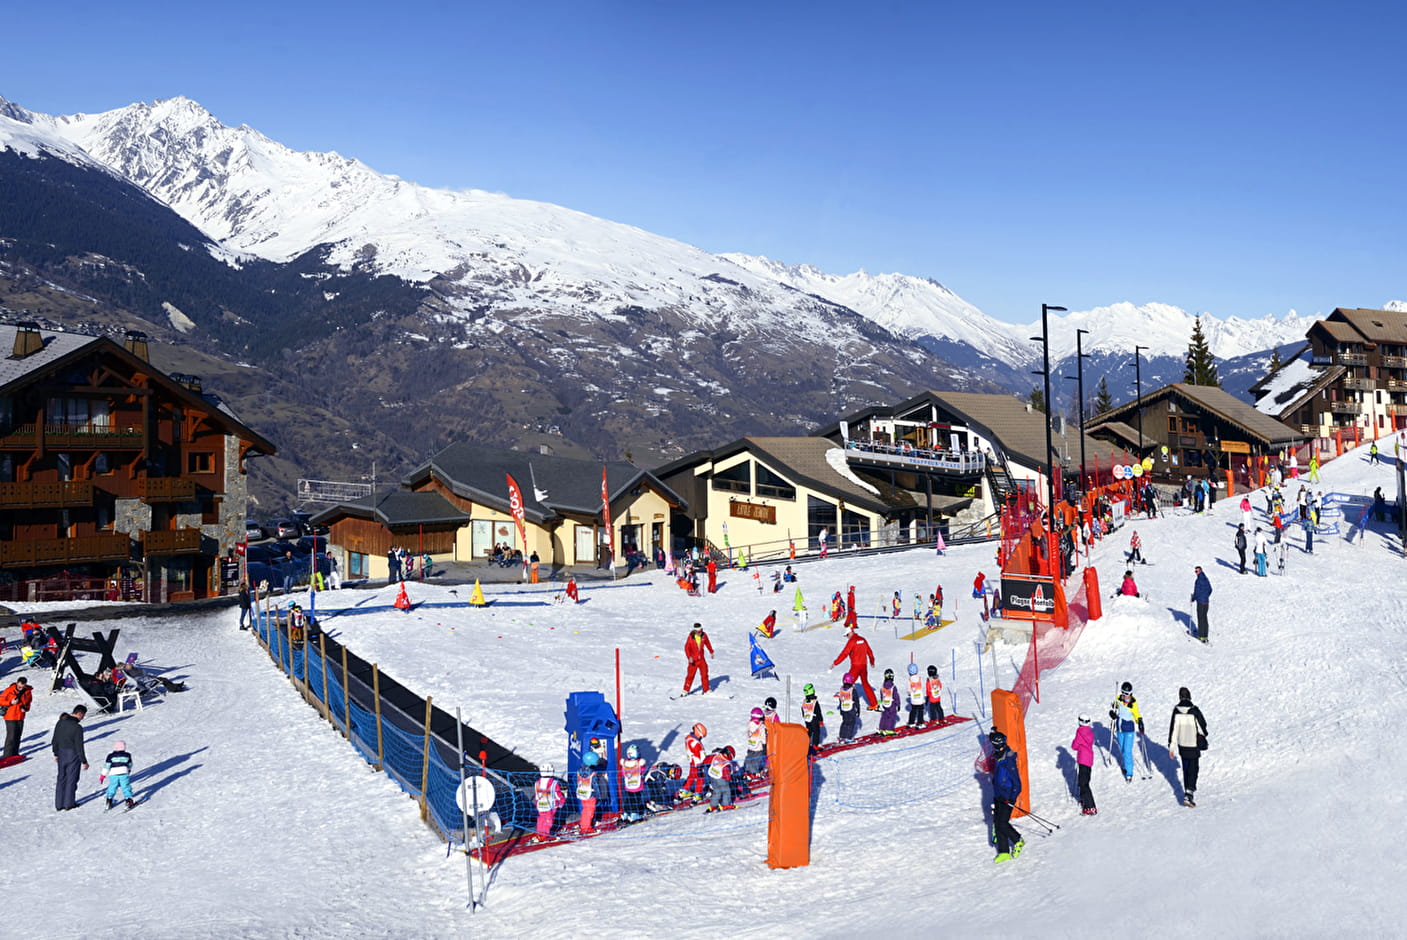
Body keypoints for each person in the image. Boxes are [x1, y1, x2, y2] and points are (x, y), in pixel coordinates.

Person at [1167, 687, 1209, 807]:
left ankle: (1187, 793)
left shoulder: (1176, 711)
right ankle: (1189, 793)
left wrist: (1171, 747)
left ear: (1180, 697)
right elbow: (1202, 727)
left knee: (1186, 770)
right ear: (1189, 696)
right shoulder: (1194, 710)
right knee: (1194, 769)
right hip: (1193, 744)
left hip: (1182, 745)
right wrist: (1203, 735)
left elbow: (1173, 730)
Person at [989, 730, 1024, 863]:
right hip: (998, 794)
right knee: (997, 823)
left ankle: (1017, 840)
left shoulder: (1008, 760)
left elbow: (1017, 784)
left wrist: (1011, 798)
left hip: (1007, 796)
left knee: (1002, 823)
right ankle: (1004, 852)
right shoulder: (999, 755)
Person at [51, 704, 89, 811]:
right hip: (72, 754)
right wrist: (84, 761)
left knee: (61, 778)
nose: (83, 718)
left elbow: (55, 739)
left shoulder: (60, 722)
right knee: (71, 779)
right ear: (79, 714)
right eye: (83, 715)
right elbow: (79, 746)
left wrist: (55, 753)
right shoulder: (77, 727)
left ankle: (59, 804)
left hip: (61, 752)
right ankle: (69, 803)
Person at [830, 625, 877, 709]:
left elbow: (844, 653)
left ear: (850, 632)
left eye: (847, 635)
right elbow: (869, 651)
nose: (847, 637)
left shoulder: (852, 641)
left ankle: (845, 700)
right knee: (865, 684)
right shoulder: (863, 639)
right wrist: (872, 661)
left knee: (847, 682)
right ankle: (874, 704)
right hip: (864, 666)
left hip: (856, 666)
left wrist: (835, 663)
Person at [1108, 682, 1144, 782]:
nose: (1125, 696)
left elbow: (1137, 714)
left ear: (1130, 694)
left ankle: (1129, 773)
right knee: (1123, 750)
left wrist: (1140, 721)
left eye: (1127, 694)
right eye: (1123, 693)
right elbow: (1114, 708)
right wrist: (1112, 713)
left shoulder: (1133, 704)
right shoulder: (1118, 699)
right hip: (1119, 728)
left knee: (1127, 751)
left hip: (1129, 730)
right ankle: (1126, 767)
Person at [1, 676, 33, 758]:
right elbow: (1, 700)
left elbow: (28, 702)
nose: (21, 688)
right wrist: (10, 702)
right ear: (17, 683)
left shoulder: (27, 691)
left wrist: (26, 708)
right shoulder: (9, 690)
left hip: (20, 716)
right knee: (11, 736)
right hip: (10, 716)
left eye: (22, 687)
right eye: (19, 686)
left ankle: (15, 754)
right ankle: (7, 756)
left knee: (18, 735)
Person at [1072, 715, 1097, 815]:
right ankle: (1085, 800)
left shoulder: (1080, 731)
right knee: (1084, 780)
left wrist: (1076, 744)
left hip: (1082, 759)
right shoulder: (1089, 731)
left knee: (1083, 783)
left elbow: (1075, 745)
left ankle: (1090, 806)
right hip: (1089, 758)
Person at [100, 740, 136, 810]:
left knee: (112, 786)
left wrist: (102, 775)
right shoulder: (127, 755)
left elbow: (106, 766)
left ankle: (109, 801)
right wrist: (128, 770)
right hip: (124, 773)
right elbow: (130, 764)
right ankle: (128, 800)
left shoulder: (110, 756)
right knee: (125, 786)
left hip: (113, 774)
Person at [533, 764, 565, 841]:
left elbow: (536, 794)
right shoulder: (554, 783)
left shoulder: (537, 782)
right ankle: (545, 834)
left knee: (541, 819)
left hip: (540, 804)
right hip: (551, 805)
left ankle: (539, 832)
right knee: (548, 819)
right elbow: (557, 794)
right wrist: (561, 801)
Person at [683, 623, 714, 695]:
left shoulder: (704, 635)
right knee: (690, 676)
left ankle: (706, 690)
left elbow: (707, 643)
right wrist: (689, 657)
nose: (701, 632)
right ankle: (685, 690)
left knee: (705, 674)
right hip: (693, 661)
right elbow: (686, 648)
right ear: (695, 631)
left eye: (701, 630)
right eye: (699, 631)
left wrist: (711, 651)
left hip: (701, 659)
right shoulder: (691, 638)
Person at [703, 746, 736, 813]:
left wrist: (702, 765)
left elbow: (707, 760)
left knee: (717, 792)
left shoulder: (716, 756)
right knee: (726, 791)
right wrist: (729, 779)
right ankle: (726, 804)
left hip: (712, 776)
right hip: (721, 778)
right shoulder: (726, 763)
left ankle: (713, 805)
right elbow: (726, 773)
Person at [681, 722, 708, 800]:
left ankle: (684, 791)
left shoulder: (689, 738)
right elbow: (696, 755)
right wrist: (699, 766)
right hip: (697, 762)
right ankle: (698, 794)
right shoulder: (694, 743)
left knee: (692, 776)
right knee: (700, 778)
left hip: (692, 761)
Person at [834, 673, 860, 743]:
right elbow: (856, 700)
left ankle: (841, 736)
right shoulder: (852, 690)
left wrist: (841, 710)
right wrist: (858, 709)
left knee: (844, 722)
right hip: (851, 708)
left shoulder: (841, 689)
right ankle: (847, 737)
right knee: (851, 723)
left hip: (843, 708)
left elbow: (840, 699)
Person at [743, 708, 768, 777]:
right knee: (756, 761)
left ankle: (747, 771)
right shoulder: (761, 727)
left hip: (751, 746)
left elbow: (748, 734)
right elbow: (763, 739)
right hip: (758, 748)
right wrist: (765, 746)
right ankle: (755, 774)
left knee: (749, 759)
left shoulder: (750, 725)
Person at [1191, 566, 1212, 643]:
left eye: (1197, 571)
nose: (1196, 573)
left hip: (1200, 602)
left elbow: (1196, 593)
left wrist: (1193, 598)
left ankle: (1201, 636)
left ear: (1201, 571)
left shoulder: (1198, 580)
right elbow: (1210, 589)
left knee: (1201, 618)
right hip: (1206, 602)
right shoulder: (1206, 579)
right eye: (1195, 571)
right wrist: (1206, 596)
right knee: (1204, 618)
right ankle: (1205, 635)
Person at [877, 668, 900, 736]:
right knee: (891, 716)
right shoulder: (893, 687)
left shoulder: (882, 686)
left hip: (884, 703)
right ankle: (889, 729)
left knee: (884, 716)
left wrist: (880, 704)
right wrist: (898, 704)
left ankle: (882, 728)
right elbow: (896, 696)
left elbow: (881, 695)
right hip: (891, 704)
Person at [801, 683, 824, 753]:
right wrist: (821, 720)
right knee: (816, 731)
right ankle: (815, 745)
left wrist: (805, 717)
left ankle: (806, 744)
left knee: (809, 732)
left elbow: (802, 710)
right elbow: (818, 711)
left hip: (807, 719)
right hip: (814, 719)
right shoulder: (814, 701)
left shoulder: (804, 701)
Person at [905, 663, 926, 729]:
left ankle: (911, 722)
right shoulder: (920, 678)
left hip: (913, 699)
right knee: (920, 711)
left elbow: (908, 690)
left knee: (913, 710)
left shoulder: (909, 680)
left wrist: (910, 693)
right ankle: (920, 723)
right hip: (920, 699)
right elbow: (923, 687)